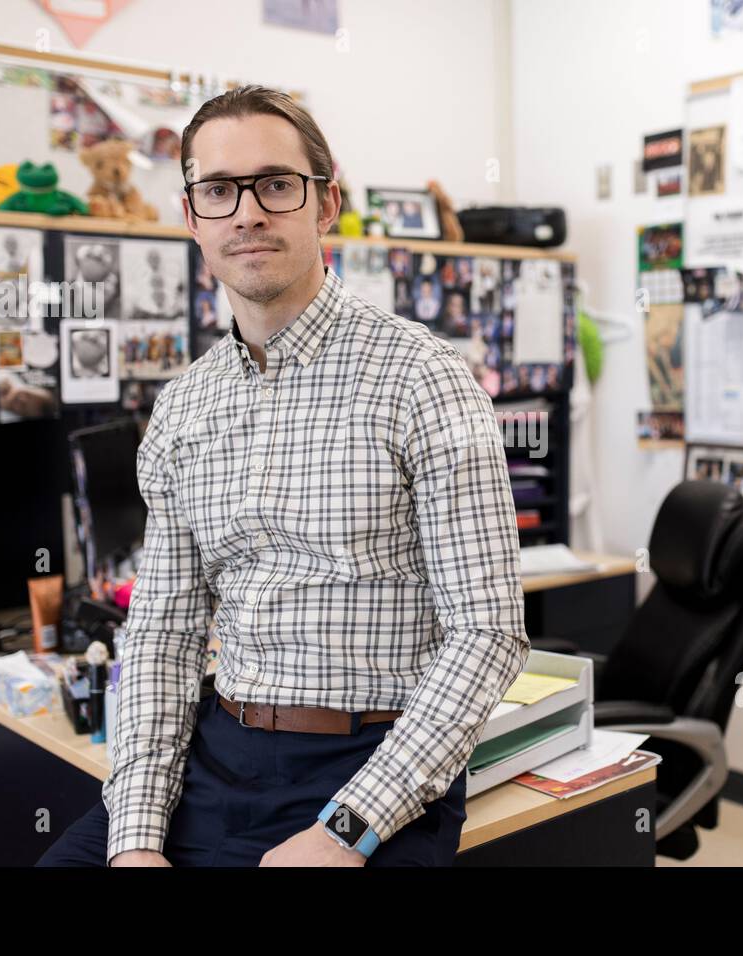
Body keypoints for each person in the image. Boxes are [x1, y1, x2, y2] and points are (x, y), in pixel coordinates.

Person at [38, 85, 528, 869]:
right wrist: (133, 839)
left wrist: (347, 830)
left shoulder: (424, 378)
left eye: (275, 184)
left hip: (373, 763)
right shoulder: (184, 408)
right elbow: (162, 636)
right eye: (219, 191)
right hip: (218, 752)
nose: (247, 213)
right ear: (192, 215)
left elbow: (489, 634)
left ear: (324, 202)